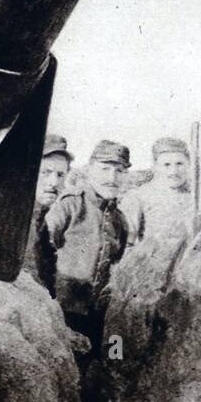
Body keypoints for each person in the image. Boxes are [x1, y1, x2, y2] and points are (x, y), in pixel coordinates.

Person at [45, 139, 133, 357]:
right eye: (105, 169)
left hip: (97, 316)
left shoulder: (119, 220)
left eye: (119, 171)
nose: (112, 178)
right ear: (89, 169)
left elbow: (117, 263)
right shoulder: (70, 205)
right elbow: (42, 250)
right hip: (61, 312)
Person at [21, 134, 72, 294]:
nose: (54, 182)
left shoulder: (43, 220)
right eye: (45, 172)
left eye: (60, 175)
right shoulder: (11, 218)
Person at [125, 136, 194, 241]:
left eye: (179, 164)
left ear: (188, 164)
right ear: (156, 166)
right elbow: (127, 242)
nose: (174, 172)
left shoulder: (195, 196)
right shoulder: (139, 197)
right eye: (167, 165)